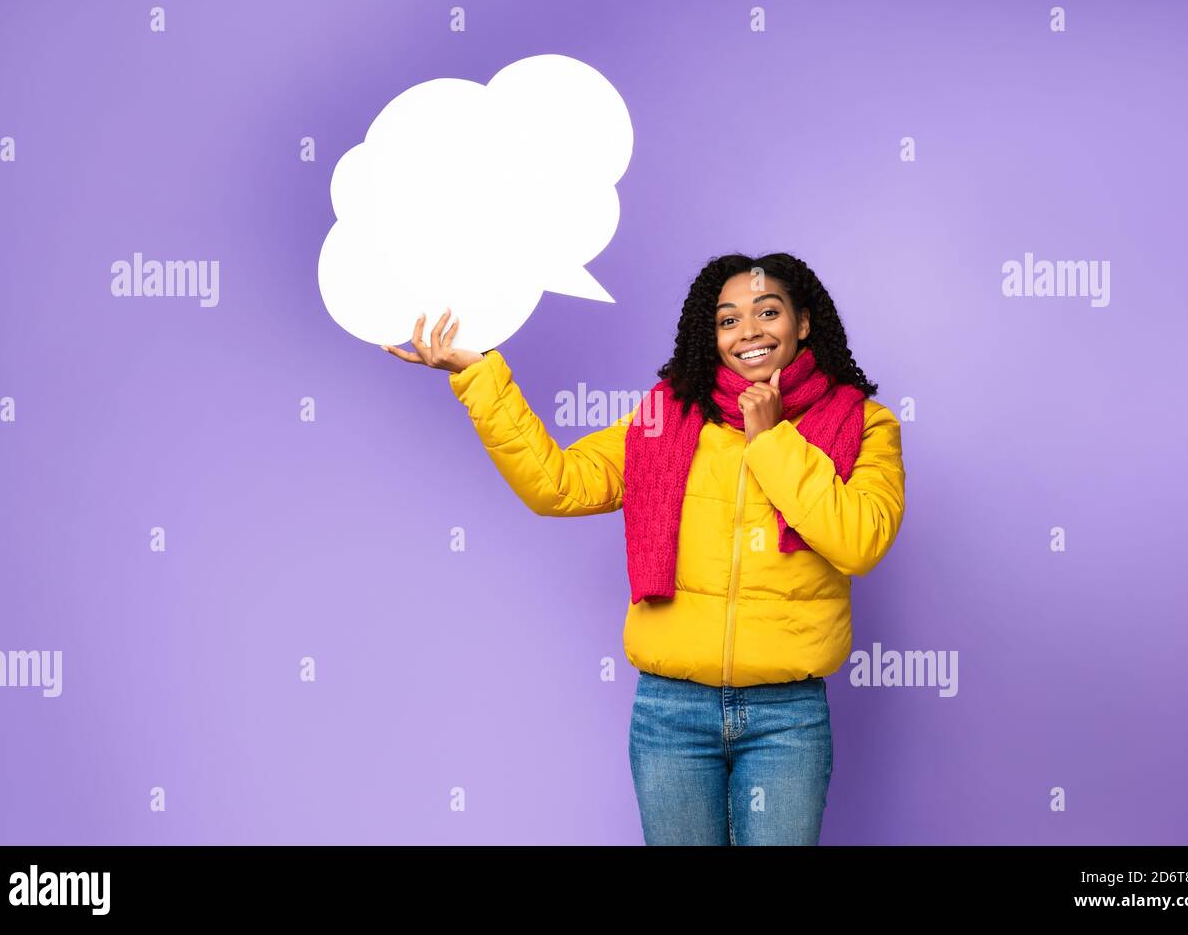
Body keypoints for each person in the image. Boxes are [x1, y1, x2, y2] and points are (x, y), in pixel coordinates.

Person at [384, 252, 906, 845]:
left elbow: (859, 542)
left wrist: (772, 438)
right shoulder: (667, 418)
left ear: (803, 323)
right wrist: (478, 374)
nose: (749, 332)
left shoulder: (865, 424)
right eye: (728, 320)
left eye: (768, 312)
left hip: (787, 717)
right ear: (711, 336)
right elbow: (559, 484)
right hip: (671, 714)